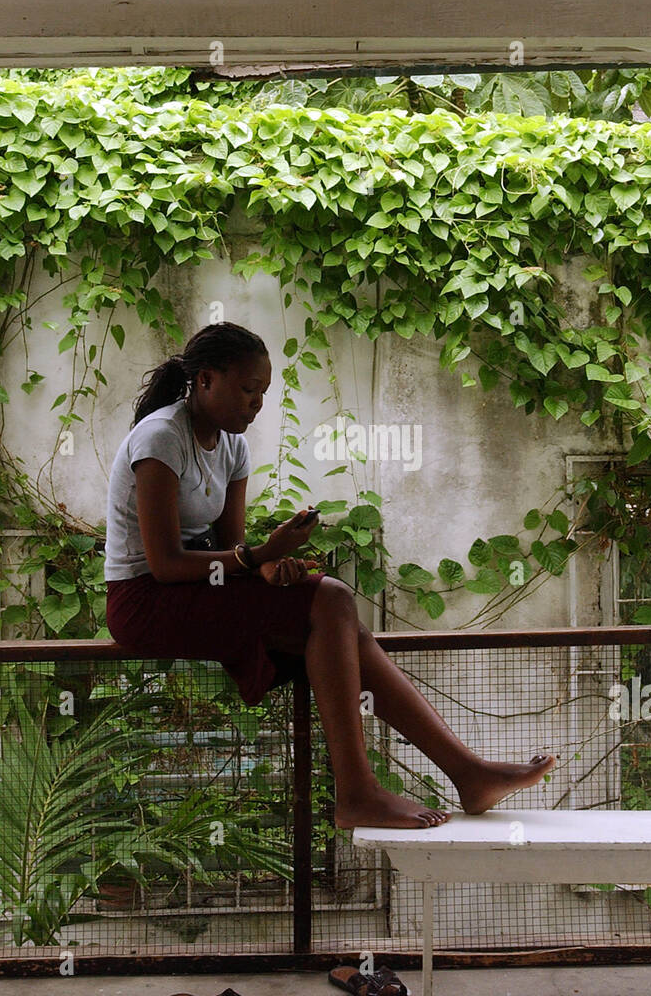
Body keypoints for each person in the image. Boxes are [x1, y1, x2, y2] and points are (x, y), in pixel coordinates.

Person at [105, 321, 556, 833]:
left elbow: (234, 551)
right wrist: (258, 557)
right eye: (248, 390)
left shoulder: (232, 448)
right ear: (205, 380)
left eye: (264, 394)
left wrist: (273, 566)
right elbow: (164, 564)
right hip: (143, 600)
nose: (256, 405)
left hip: (196, 589)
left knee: (338, 616)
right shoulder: (161, 437)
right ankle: (363, 791)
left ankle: (464, 773)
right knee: (333, 603)